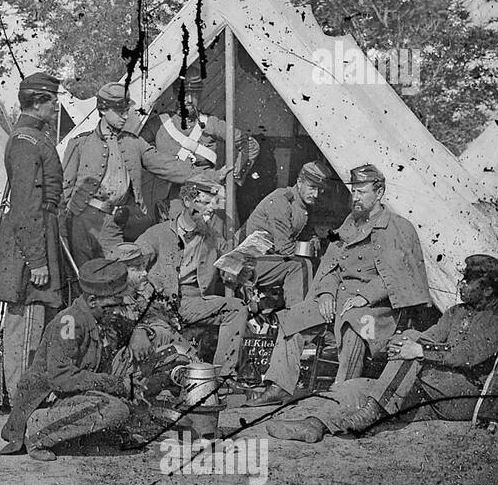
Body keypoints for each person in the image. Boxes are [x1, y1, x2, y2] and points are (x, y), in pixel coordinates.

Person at [267, 255, 498, 442]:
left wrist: (418, 350)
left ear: (487, 289)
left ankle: (372, 412)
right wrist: (400, 344)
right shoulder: (456, 312)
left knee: (411, 344)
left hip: (462, 397)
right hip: (429, 390)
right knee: (358, 386)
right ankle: (315, 425)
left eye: (468, 281)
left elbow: (464, 356)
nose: (461, 284)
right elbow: (429, 337)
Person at [246, 164, 432, 407]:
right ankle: (279, 386)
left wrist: (366, 296)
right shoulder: (350, 224)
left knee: (353, 322)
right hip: (339, 299)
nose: (355, 198)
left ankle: (341, 396)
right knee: (293, 317)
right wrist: (325, 293)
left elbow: (400, 276)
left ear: (379, 193)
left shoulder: (397, 227)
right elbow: (332, 266)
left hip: (378, 311)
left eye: (362, 192)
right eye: (354, 192)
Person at [0, 258, 145, 462]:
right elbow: (61, 378)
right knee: (116, 409)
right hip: (48, 398)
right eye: (113, 305)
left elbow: (134, 326)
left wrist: (140, 331)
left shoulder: (99, 316)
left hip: (74, 394)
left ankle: (105, 431)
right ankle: (37, 433)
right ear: (93, 301)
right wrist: (117, 385)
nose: (118, 310)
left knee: (136, 361)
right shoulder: (69, 322)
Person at [61, 81, 220, 265]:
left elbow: (167, 165)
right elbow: (64, 189)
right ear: (103, 110)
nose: (125, 115)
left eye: (126, 110)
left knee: (117, 274)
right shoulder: (80, 143)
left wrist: (212, 177)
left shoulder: (133, 143)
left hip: (112, 224)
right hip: (81, 221)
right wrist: (64, 229)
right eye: (119, 110)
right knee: (85, 277)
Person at [0, 72, 66, 393]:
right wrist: (36, 260)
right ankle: (23, 398)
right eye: (52, 100)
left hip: (40, 235)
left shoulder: (35, 138)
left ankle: (30, 393)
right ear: (37, 103)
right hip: (28, 246)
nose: (57, 106)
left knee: (38, 321)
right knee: (28, 323)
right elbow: (25, 207)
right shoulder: (25, 143)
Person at [133, 182, 249, 392]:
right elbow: (132, 264)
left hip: (194, 303)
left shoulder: (213, 238)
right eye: (204, 202)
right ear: (187, 202)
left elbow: (230, 270)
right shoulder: (158, 233)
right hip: (160, 306)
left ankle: (223, 376)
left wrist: (241, 270)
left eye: (213, 203)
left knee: (236, 307)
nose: (211, 208)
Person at [153, 72, 260, 222]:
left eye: (194, 94)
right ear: (175, 93)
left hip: (208, 197)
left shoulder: (210, 123)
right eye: (185, 94)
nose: (189, 100)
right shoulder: (158, 125)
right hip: (174, 199)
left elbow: (250, 145)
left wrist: (233, 178)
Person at [242, 160, 334, 308]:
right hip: (250, 261)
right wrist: (311, 249)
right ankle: (296, 319)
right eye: (312, 188)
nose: (316, 194)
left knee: (319, 262)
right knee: (300, 265)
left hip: (271, 258)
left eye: (320, 189)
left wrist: (313, 239)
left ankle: (313, 313)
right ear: (299, 182)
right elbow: (284, 247)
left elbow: (305, 232)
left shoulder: (304, 203)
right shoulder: (281, 201)